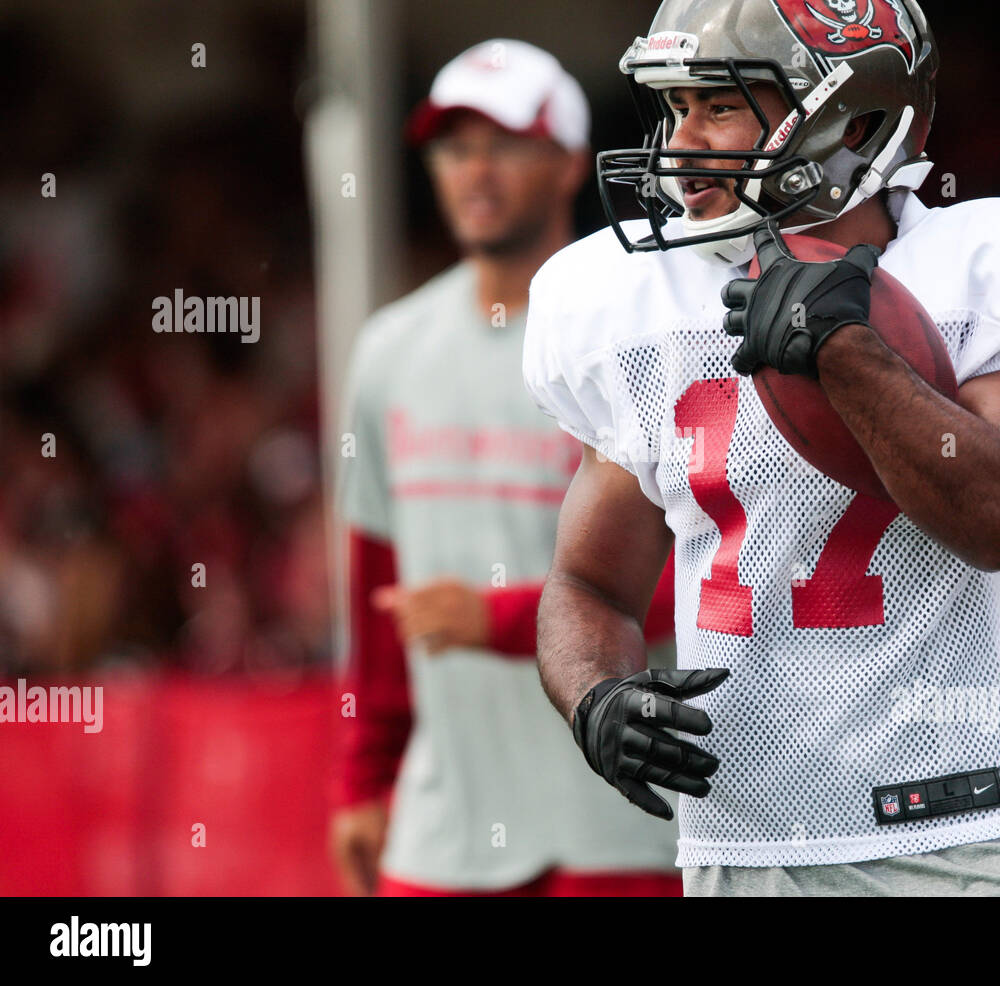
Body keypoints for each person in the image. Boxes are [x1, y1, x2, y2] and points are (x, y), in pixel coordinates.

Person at [523, 0, 1000, 897]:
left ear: (851, 121)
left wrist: (847, 350)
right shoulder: (635, 304)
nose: (681, 143)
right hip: (746, 848)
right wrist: (595, 696)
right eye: (673, 109)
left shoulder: (991, 271)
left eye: (718, 105)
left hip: (973, 832)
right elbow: (588, 584)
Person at [330, 39, 679, 897]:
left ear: (567, 164)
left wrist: (496, 619)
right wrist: (364, 782)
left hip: (621, 823)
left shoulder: (640, 335)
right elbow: (378, 595)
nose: (475, 171)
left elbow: (701, 565)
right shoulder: (388, 351)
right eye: (454, 147)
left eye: (506, 145)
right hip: (443, 834)